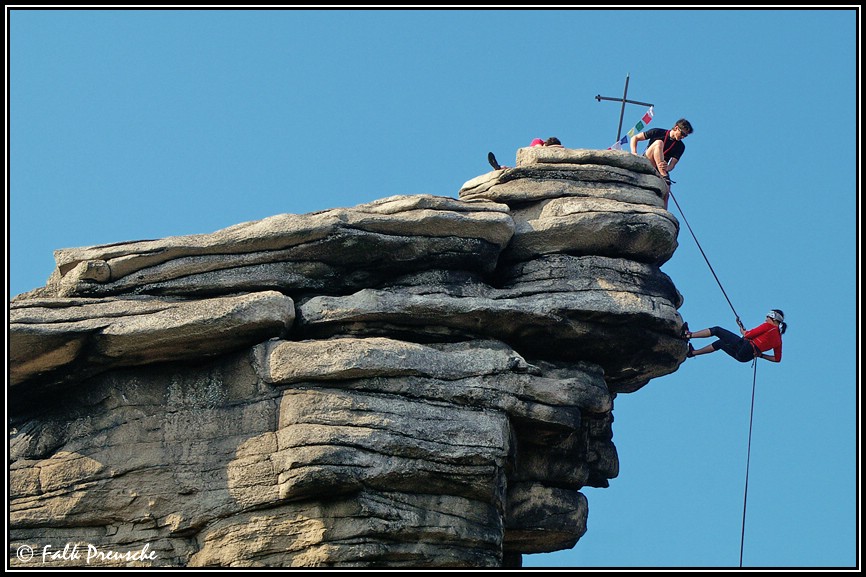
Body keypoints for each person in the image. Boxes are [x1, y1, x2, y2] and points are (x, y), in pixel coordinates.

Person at [630, 118, 693, 209]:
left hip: (662, 167)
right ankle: (663, 174)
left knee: (666, 192)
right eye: (682, 134)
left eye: (685, 136)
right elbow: (634, 138)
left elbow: (672, 164)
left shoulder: (681, 146)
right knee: (659, 143)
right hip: (648, 161)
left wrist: (667, 168)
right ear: (676, 128)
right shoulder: (658, 132)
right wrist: (634, 153)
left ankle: (663, 213)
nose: (682, 137)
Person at [683, 310, 786, 363]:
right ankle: (692, 353)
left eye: (767, 317)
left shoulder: (769, 326)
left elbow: (748, 335)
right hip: (745, 358)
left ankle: (689, 335)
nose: (766, 320)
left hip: (745, 347)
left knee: (717, 330)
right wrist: (761, 355)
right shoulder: (779, 341)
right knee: (720, 344)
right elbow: (777, 359)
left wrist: (742, 329)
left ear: (773, 318)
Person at [488, 137, 563, 170]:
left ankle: (501, 168)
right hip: (527, 163)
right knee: (515, 170)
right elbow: (539, 149)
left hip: (538, 166)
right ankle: (499, 167)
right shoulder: (538, 141)